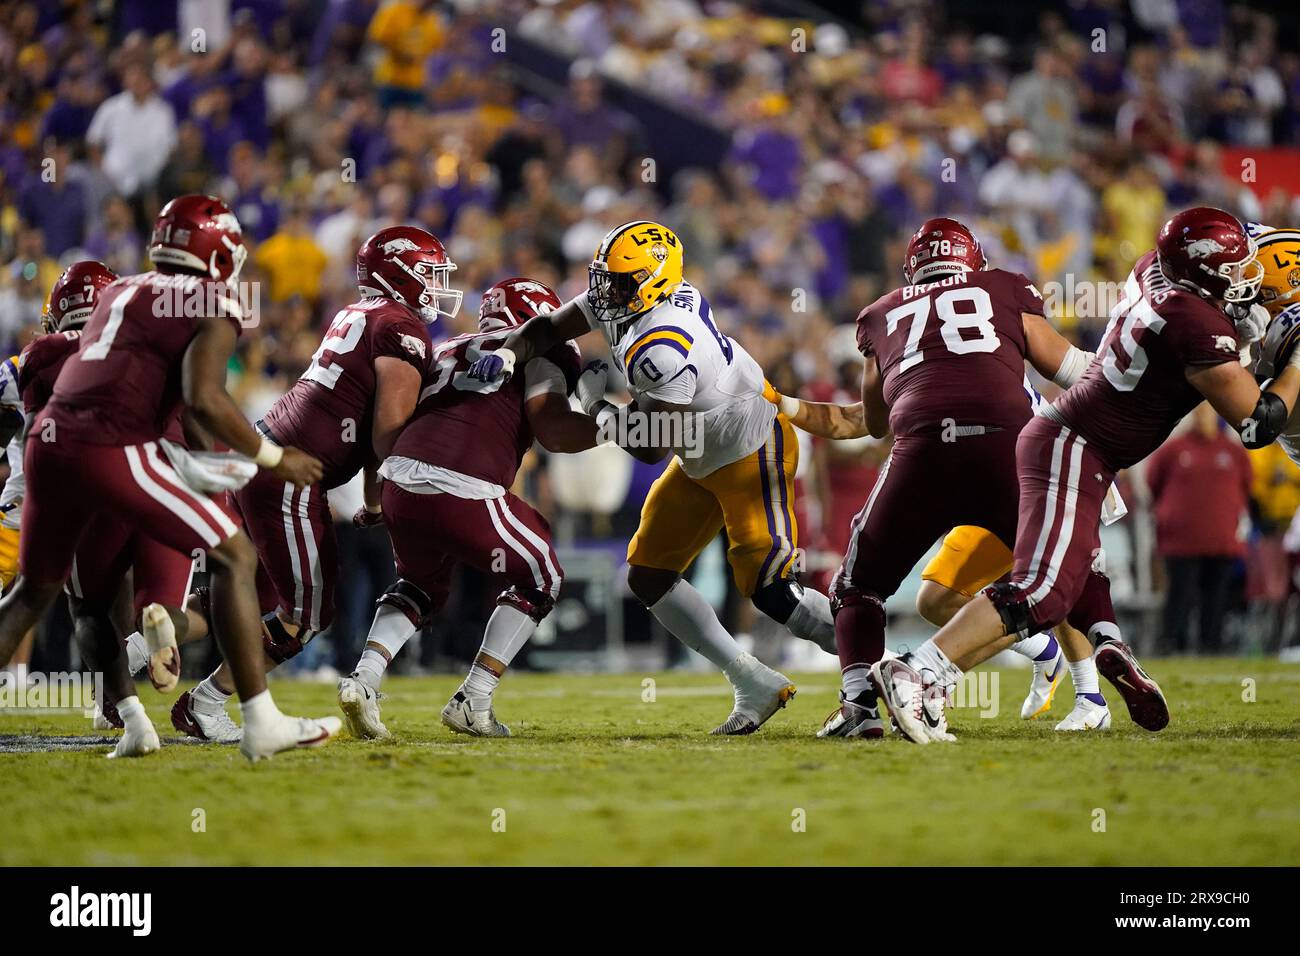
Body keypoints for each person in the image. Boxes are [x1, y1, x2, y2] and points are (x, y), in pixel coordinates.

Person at [878, 207, 1300, 744]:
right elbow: (1259, 425)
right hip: (1073, 446)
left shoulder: (1155, 269)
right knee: (1039, 592)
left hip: (1077, 443)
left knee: (1066, 587)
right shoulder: (1197, 326)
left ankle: (1088, 651)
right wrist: (1295, 361)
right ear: (1203, 277)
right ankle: (917, 669)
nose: (1248, 280)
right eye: (1235, 270)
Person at [0, 194, 338, 760]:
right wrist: (275, 459)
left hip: (48, 444)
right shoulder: (211, 300)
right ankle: (260, 721)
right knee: (234, 556)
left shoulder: (121, 289)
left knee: (33, 593)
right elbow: (203, 399)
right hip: (112, 442)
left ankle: (142, 712)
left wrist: (202, 460)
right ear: (215, 250)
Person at [767, 217, 1122, 736]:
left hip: (925, 454)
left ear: (911, 269)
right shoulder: (1003, 287)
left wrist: (781, 402)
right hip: (1015, 453)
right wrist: (1139, 377)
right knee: (1059, 573)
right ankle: (1102, 648)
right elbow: (1070, 368)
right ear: (972, 261)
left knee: (859, 586)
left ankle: (862, 706)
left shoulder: (884, 313)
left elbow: (866, 423)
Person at [172, 225, 453, 743]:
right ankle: (206, 702)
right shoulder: (401, 329)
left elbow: (372, 430)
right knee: (307, 614)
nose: (437, 286)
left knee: (246, 590)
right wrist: (402, 499)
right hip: (291, 479)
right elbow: (389, 433)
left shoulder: (359, 313)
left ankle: (136, 656)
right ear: (401, 274)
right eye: (430, 273)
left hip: (269, 462)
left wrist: (372, 500)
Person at [337, 277, 599, 739]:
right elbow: (552, 427)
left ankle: (364, 679)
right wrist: (609, 426)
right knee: (543, 575)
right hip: (461, 481)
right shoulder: (544, 348)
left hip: (399, 476)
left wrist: (375, 496)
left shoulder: (445, 346)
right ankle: (473, 697)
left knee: (419, 585)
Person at [1146, 402, 1252, 653]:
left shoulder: (1233, 452)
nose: (1203, 416)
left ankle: (1211, 645)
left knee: (1215, 599)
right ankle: (1172, 644)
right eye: (1199, 411)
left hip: (1221, 539)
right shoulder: (1173, 450)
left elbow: (1247, 486)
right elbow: (1153, 483)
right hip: (1180, 542)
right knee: (1179, 596)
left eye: (1208, 412)